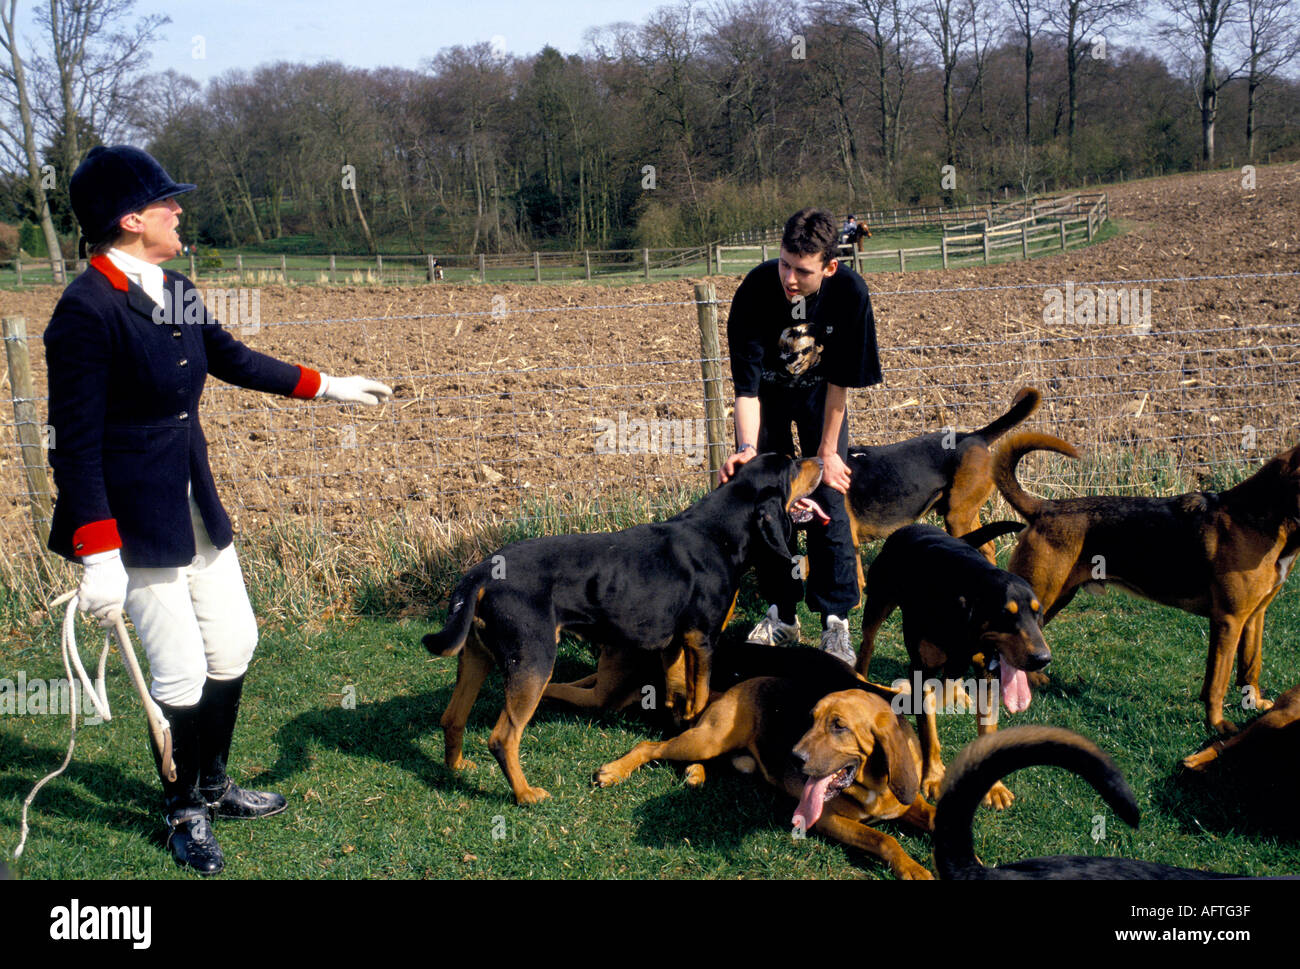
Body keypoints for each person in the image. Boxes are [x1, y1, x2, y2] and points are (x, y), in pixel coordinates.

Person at [44, 145, 393, 875]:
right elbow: (73, 447)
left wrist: (327, 385)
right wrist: (98, 552)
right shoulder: (85, 309)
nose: (179, 211)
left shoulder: (174, 286)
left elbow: (232, 357)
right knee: (176, 673)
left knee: (233, 643)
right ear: (131, 219)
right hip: (131, 522)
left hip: (194, 500)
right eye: (167, 202)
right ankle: (184, 811)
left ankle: (214, 781)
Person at [719, 207, 882, 664]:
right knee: (769, 502)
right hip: (768, 399)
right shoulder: (754, 291)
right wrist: (748, 451)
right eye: (784, 264)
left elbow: (839, 388)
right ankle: (781, 614)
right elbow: (747, 391)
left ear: (830, 267)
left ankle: (835, 622)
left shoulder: (849, 293)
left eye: (803, 270)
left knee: (829, 495)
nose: (790, 278)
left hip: (820, 402)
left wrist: (828, 453)